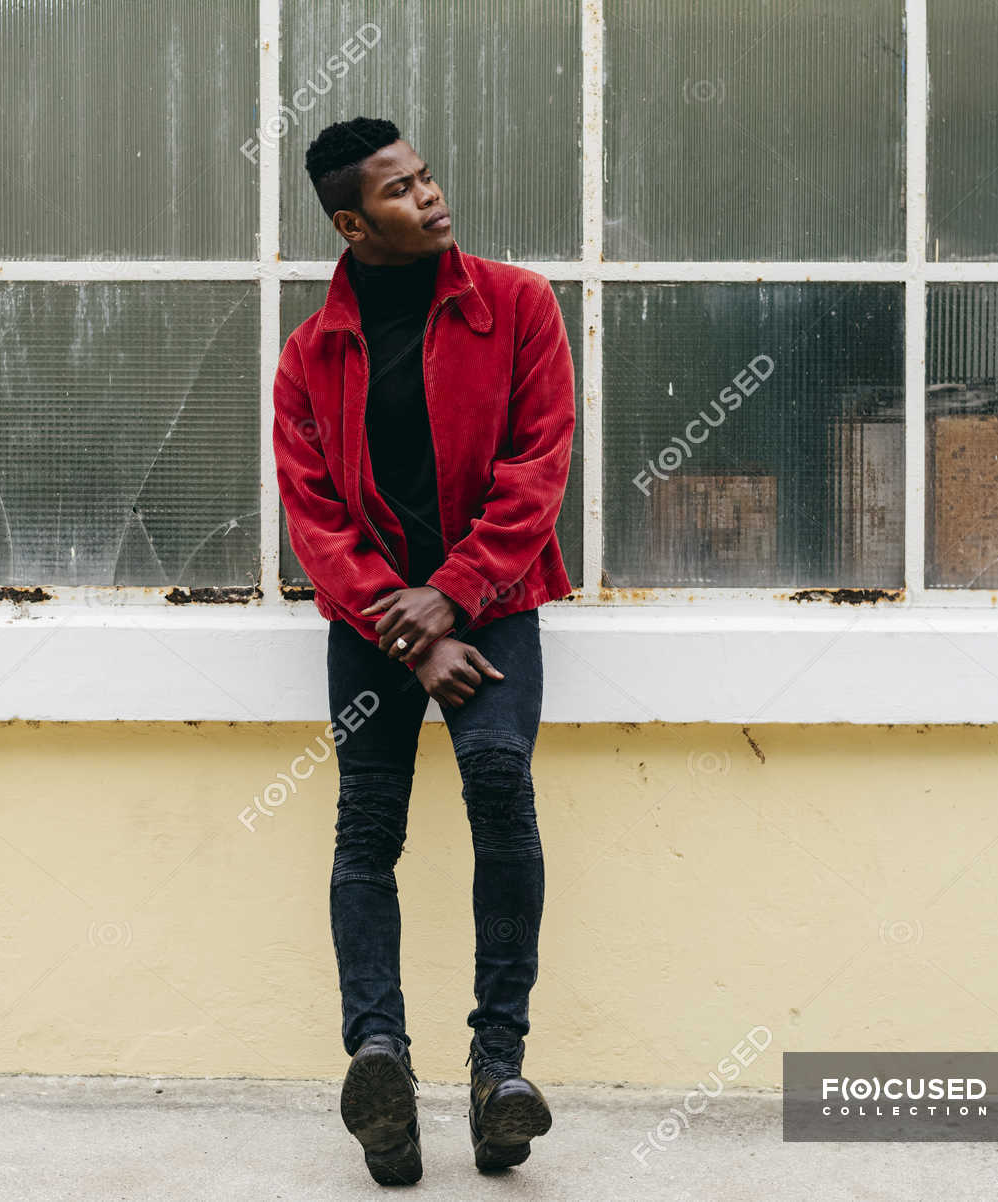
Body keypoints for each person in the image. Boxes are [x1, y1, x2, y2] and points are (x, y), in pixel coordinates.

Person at [272, 115, 575, 1185]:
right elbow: (314, 519)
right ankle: (380, 1063)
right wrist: (406, 636)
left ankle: (499, 1073)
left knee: (500, 786)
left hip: (493, 603)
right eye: (401, 191)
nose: (432, 197)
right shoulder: (311, 355)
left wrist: (447, 600)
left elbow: (537, 471)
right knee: (367, 828)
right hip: (375, 627)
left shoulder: (521, 306)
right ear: (352, 223)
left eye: (430, 177)